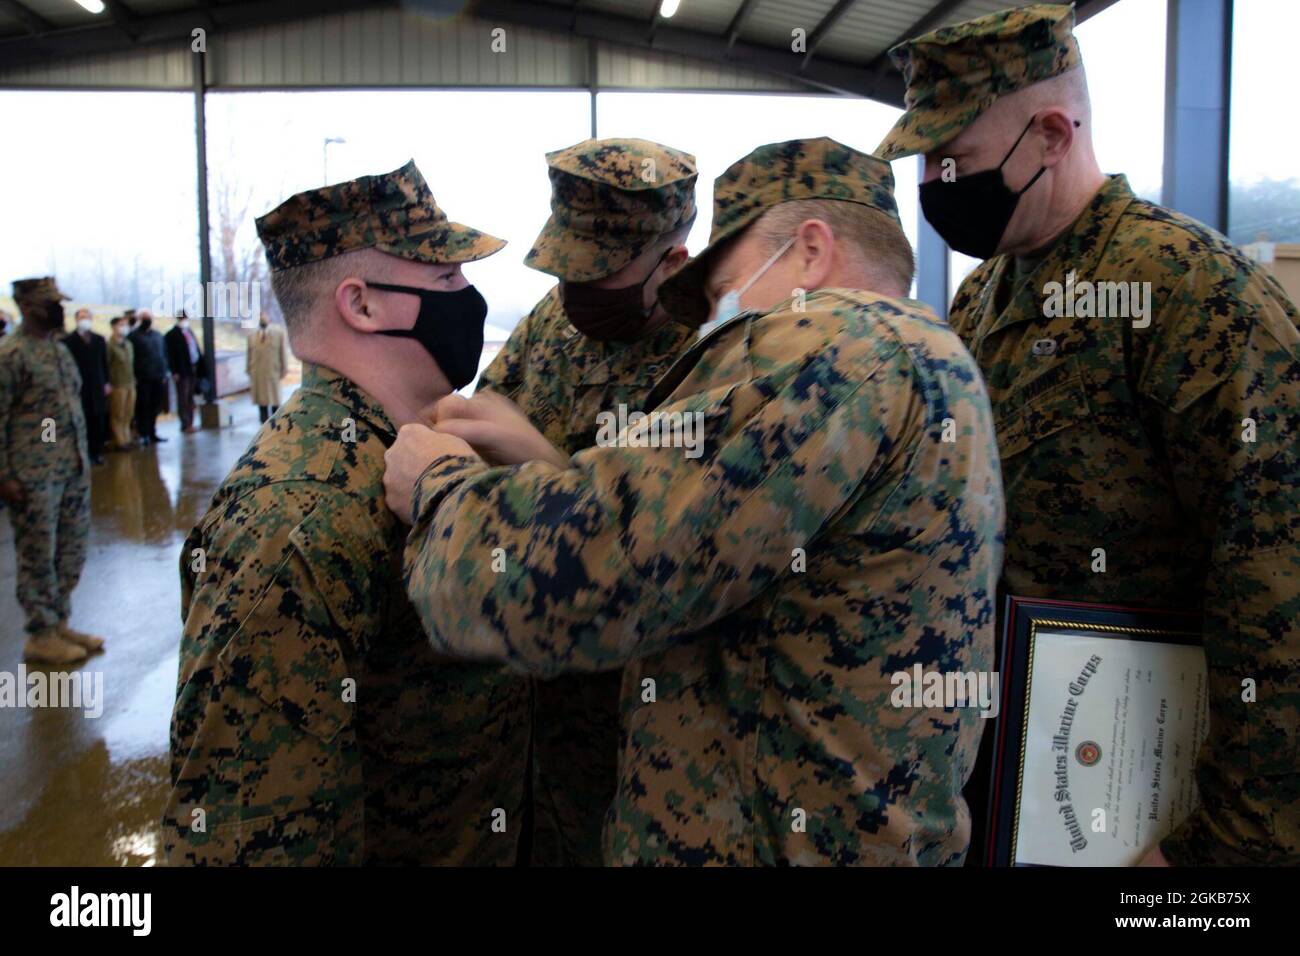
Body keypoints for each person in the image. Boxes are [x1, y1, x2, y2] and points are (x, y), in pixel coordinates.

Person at [384, 139, 1005, 865]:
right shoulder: (930, 355)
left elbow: (571, 583)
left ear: (810, 251)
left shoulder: (831, 348)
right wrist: (558, 472)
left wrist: (440, 489)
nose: (720, 318)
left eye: (727, 288)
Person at [876, 3, 1300, 866]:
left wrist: (1215, 854)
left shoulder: (1193, 295)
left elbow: (1278, 588)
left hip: (1144, 800)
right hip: (1011, 781)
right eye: (926, 160)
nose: (935, 181)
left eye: (954, 158)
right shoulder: (986, 294)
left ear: (1054, 135)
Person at [161, 161, 531, 865]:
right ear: (361, 305)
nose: (470, 296)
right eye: (446, 277)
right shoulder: (294, 521)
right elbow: (255, 837)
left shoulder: (429, 448)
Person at [474, 137, 697, 866]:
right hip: (540, 707)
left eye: (597, 271)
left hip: (649, 729)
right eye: (565, 263)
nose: (573, 287)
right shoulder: (553, 323)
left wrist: (543, 468)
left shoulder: (721, 354)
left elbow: (676, 553)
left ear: (673, 262)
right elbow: (489, 416)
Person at [0, 278, 105, 663]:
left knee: (71, 550)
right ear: (27, 307)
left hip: (71, 468)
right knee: (37, 555)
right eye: (50, 303)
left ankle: (59, 620)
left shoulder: (58, 351)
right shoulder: (10, 355)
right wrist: (5, 475)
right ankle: (40, 633)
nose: (59, 309)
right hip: (33, 474)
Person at [62, 307, 111, 465]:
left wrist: (107, 382)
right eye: (82, 316)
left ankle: (96, 452)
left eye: (87, 317)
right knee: (84, 420)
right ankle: (85, 454)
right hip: (79, 387)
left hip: (97, 385)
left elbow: (104, 363)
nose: (85, 319)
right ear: (76, 319)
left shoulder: (99, 339)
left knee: (98, 420)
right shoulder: (68, 341)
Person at [128, 309, 169, 444]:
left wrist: (164, 373)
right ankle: (143, 433)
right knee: (143, 407)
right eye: (144, 317)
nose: (147, 320)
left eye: (149, 317)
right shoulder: (133, 336)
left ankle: (152, 433)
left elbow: (163, 355)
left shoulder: (157, 335)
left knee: (155, 406)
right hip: (142, 378)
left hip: (158, 377)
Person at [164, 310, 205, 433]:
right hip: (181, 372)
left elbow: (195, 349)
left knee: (190, 397)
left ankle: (191, 422)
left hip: (192, 369)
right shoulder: (171, 335)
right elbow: (169, 355)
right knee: (183, 398)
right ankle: (185, 423)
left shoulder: (189, 332)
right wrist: (174, 371)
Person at [246, 312, 287, 422]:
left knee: (275, 400)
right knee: (261, 402)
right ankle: (263, 424)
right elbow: (249, 354)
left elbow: (283, 352)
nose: (261, 318)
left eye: (263, 315)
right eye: (259, 316)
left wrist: (284, 369)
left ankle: (275, 424)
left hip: (273, 372)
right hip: (258, 373)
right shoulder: (251, 335)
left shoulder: (278, 333)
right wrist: (248, 370)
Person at [106, 315, 136, 450]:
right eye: (121, 325)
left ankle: (127, 437)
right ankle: (119, 440)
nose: (124, 328)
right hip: (117, 384)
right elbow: (107, 365)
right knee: (118, 413)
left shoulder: (128, 344)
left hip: (130, 383)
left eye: (125, 325)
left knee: (128, 413)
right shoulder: (109, 346)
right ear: (114, 327)